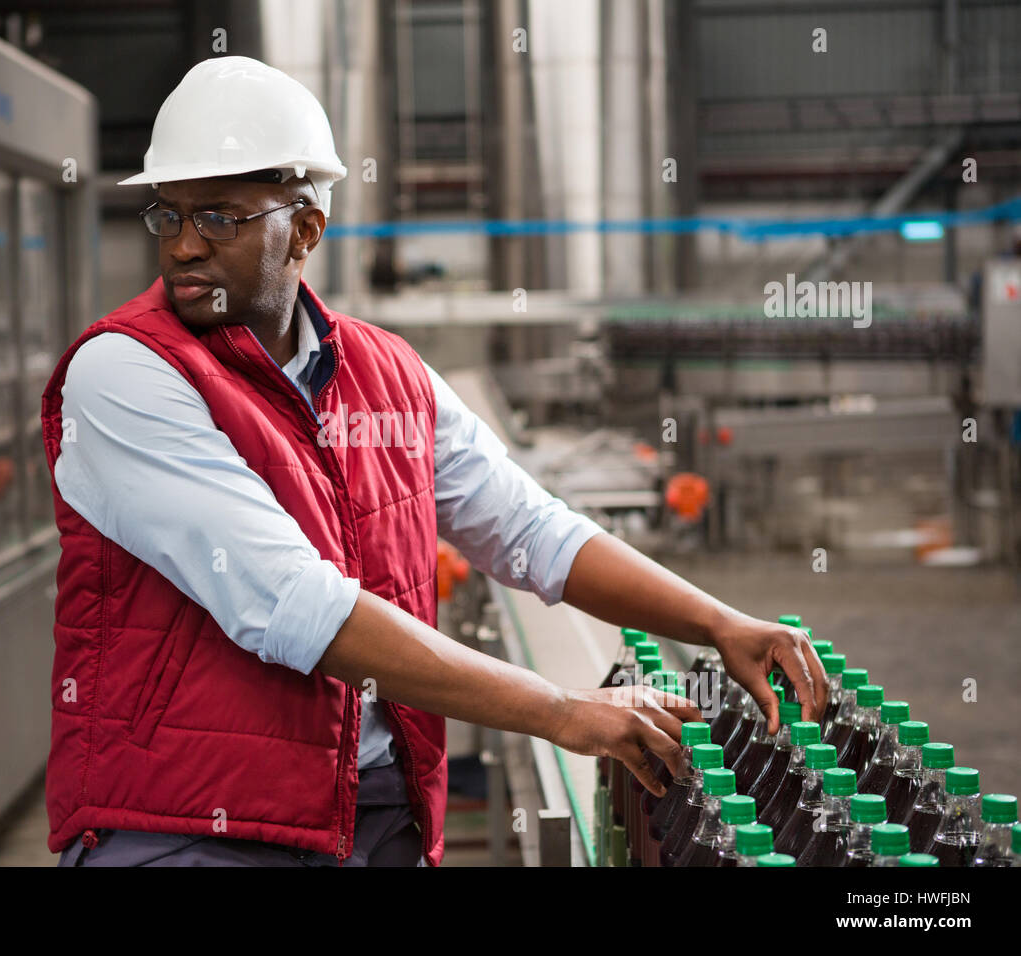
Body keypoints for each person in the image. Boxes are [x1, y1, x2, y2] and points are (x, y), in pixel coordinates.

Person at [43, 56, 827, 867]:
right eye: (168, 217)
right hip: (187, 830)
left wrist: (716, 621)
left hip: (378, 810)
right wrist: (561, 710)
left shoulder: (387, 375)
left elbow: (528, 529)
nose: (183, 247)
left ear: (307, 228)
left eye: (220, 217)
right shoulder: (125, 374)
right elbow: (289, 605)